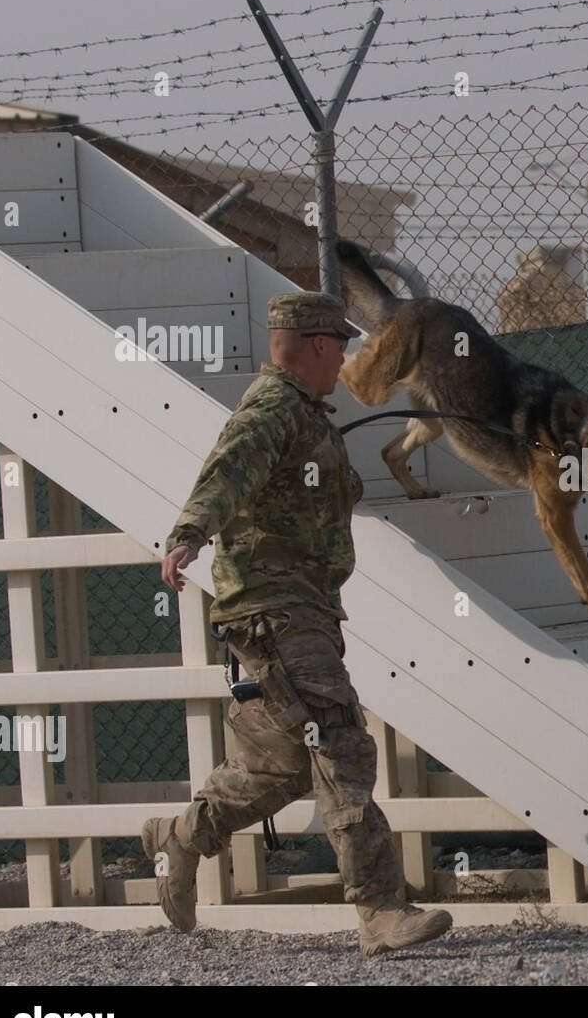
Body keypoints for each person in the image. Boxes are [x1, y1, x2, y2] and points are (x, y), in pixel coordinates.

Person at [144, 291, 451, 955]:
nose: (346, 356)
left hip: (300, 607)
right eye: (340, 345)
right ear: (315, 344)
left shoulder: (302, 414)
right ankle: (379, 908)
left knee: (284, 765)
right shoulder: (274, 409)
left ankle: (180, 836)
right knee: (340, 739)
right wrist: (190, 531)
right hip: (274, 609)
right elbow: (228, 469)